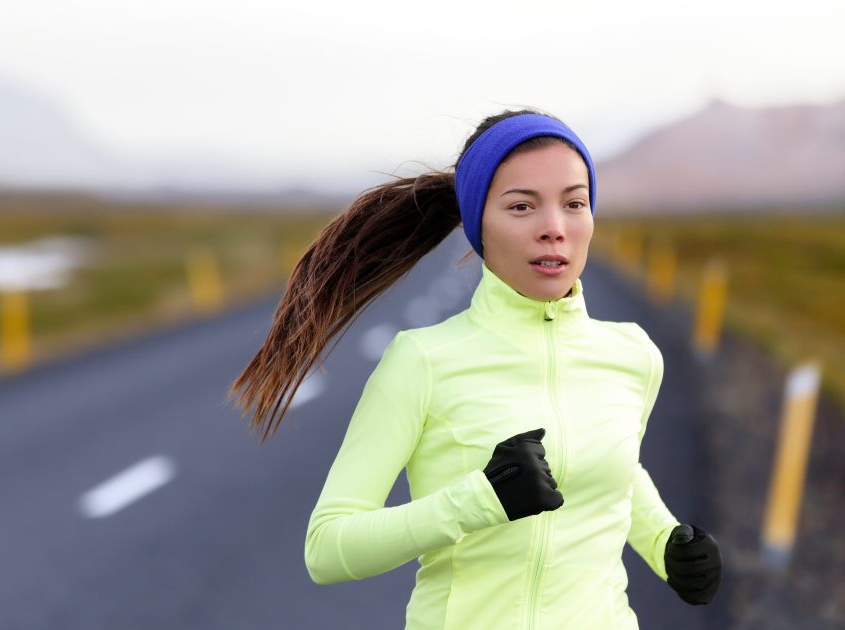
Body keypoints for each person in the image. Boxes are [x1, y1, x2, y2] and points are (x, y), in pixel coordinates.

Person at [228, 109, 723, 629]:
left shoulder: (633, 355)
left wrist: (664, 540)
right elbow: (326, 549)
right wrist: (477, 500)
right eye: (521, 206)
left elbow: (616, 468)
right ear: (476, 223)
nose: (554, 228)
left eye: (574, 203)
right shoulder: (422, 361)